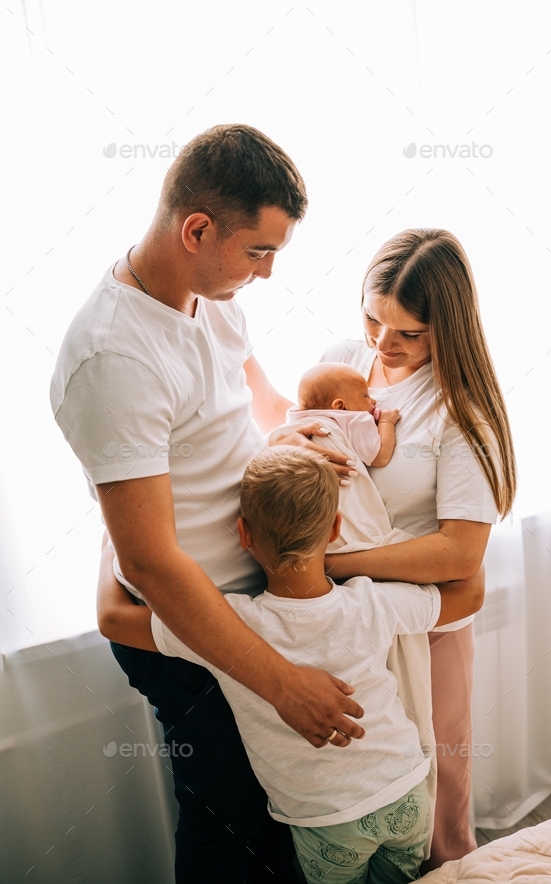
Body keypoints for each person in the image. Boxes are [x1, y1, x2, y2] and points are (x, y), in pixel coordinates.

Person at [50, 124, 365, 883]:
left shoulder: (212, 297)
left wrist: (304, 437)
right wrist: (282, 682)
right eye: (258, 252)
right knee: (229, 824)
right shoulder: (114, 356)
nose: (267, 273)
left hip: (255, 596)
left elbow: (258, 410)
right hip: (192, 625)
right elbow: (151, 565)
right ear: (196, 230)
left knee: (286, 812)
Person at [97, 446, 485, 884]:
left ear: (243, 534)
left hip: (328, 820)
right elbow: (469, 594)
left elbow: (113, 620)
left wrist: (112, 547)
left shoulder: (225, 628)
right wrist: (466, 547)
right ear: (335, 528)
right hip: (406, 791)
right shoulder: (372, 601)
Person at [320, 229, 517, 870]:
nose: (383, 343)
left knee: (435, 793)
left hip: (428, 630)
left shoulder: (461, 410)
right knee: (358, 793)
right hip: (344, 623)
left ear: (447, 328)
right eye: (372, 319)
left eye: (408, 332)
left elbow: (459, 554)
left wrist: (337, 565)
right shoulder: (344, 363)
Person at [279, 362, 411, 553]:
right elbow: (380, 456)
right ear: (340, 406)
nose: (373, 401)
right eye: (365, 395)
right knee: (361, 530)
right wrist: (386, 422)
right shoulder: (354, 419)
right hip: (338, 492)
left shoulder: (295, 418)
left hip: (298, 505)